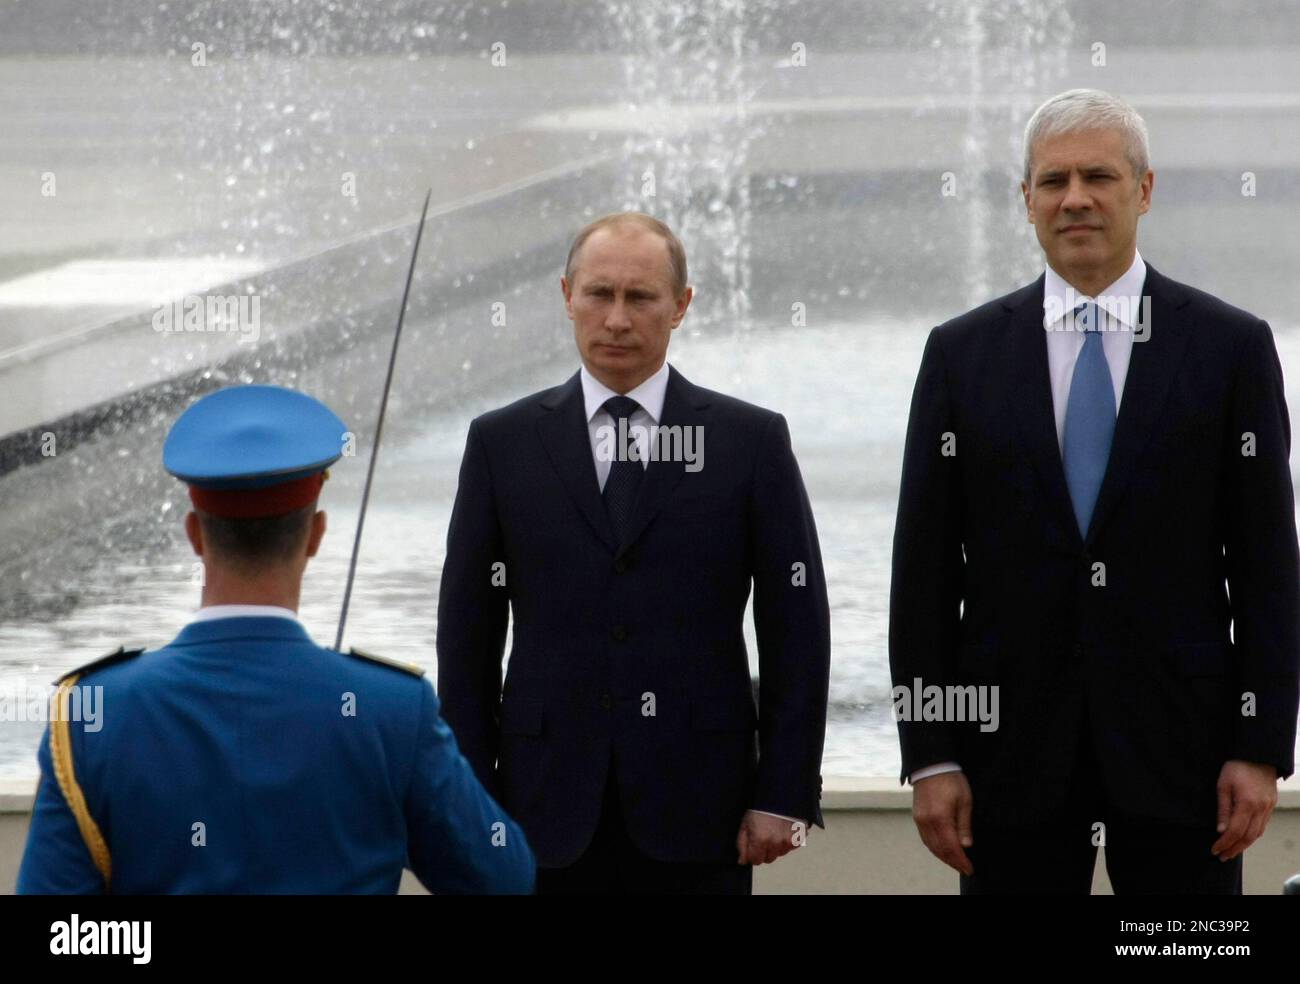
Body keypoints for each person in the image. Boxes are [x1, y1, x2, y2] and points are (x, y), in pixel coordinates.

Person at [890, 88, 1300, 894]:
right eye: (1052, 182)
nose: (1074, 198)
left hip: (1185, 759)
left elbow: (1266, 567)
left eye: (1098, 177)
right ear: (1027, 201)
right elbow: (926, 570)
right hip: (1005, 757)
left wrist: (1259, 744)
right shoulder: (960, 355)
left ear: (1144, 191)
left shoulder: (1229, 348)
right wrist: (931, 750)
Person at [437, 212, 831, 894]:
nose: (617, 318)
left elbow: (797, 627)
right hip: (539, 812)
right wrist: (473, 798)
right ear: (567, 296)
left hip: (702, 811)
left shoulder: (750, 442)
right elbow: (466, 636)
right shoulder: (501, 445)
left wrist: (785, 790)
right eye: (599, 294)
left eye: (641, 297)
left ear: (680, 306)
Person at [17, 384, 534, 894]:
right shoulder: (392, 710)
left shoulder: (92, 714)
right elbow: (504, 877)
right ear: (316, 535)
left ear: (195, 534)